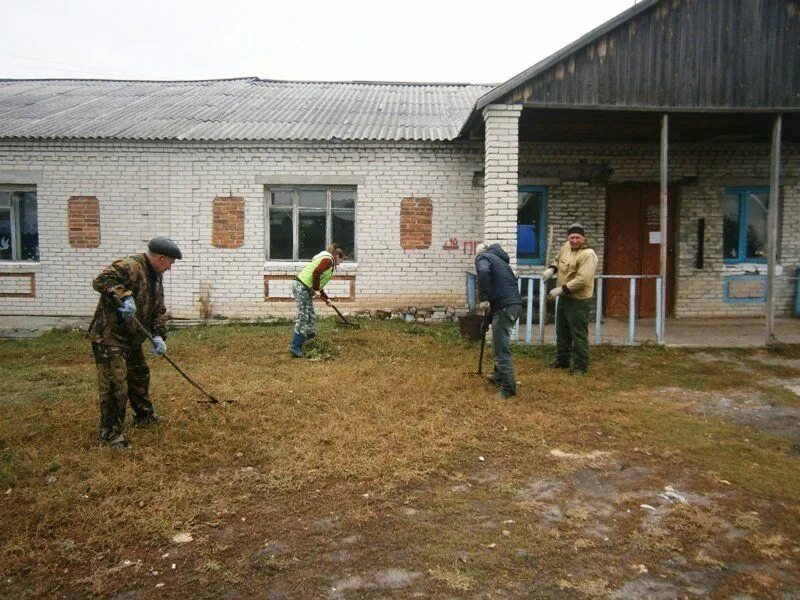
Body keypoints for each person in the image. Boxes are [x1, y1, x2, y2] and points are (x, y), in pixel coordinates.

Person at [88, 236, 182, 449]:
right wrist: (125, 296)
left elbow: (158, 309)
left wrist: (158, 335)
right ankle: (111, 435)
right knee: (115, 385)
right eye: (170, 262)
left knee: (140, 375)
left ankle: (144, 417)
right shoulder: (129, 266)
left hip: (131, 338)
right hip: (110, 336)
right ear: (160, 258)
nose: (170, 267)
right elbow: (100, 281)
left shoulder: (156, 276)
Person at [541, 223, 598, 375]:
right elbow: (557, 261)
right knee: (562, 331)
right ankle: (562, 360)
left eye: (577, 237)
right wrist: (550, 270)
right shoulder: (566, 247)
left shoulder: (588, 255)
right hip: (565, 298)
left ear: (583, 238)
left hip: (578, 300)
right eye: (571, 237)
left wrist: (561, 289)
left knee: (578, 333)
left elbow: (583, 279)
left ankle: (580, 366)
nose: (574, 241)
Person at [475, 243, 522, 399]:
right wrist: (486, 322)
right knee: (498, 342)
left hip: (505, 307)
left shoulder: (483, 257)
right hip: (512, 305)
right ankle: (499, 376)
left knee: (500, 348)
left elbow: (482, 272)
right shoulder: (500, 261)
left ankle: (508, 388)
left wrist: (483, 299)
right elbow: (498, 293)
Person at [290, 243, 345, 358]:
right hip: (301, 286)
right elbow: (316, 273)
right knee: (304, 316)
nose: (341, 263)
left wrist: (327, 299)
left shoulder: (328, 261)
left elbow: (318, 284)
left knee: (311, 314)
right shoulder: (328, 261)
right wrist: (316, 289)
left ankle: (311, 342)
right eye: (342, 260)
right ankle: (295, 347)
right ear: (338, 256)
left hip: (304, 287)